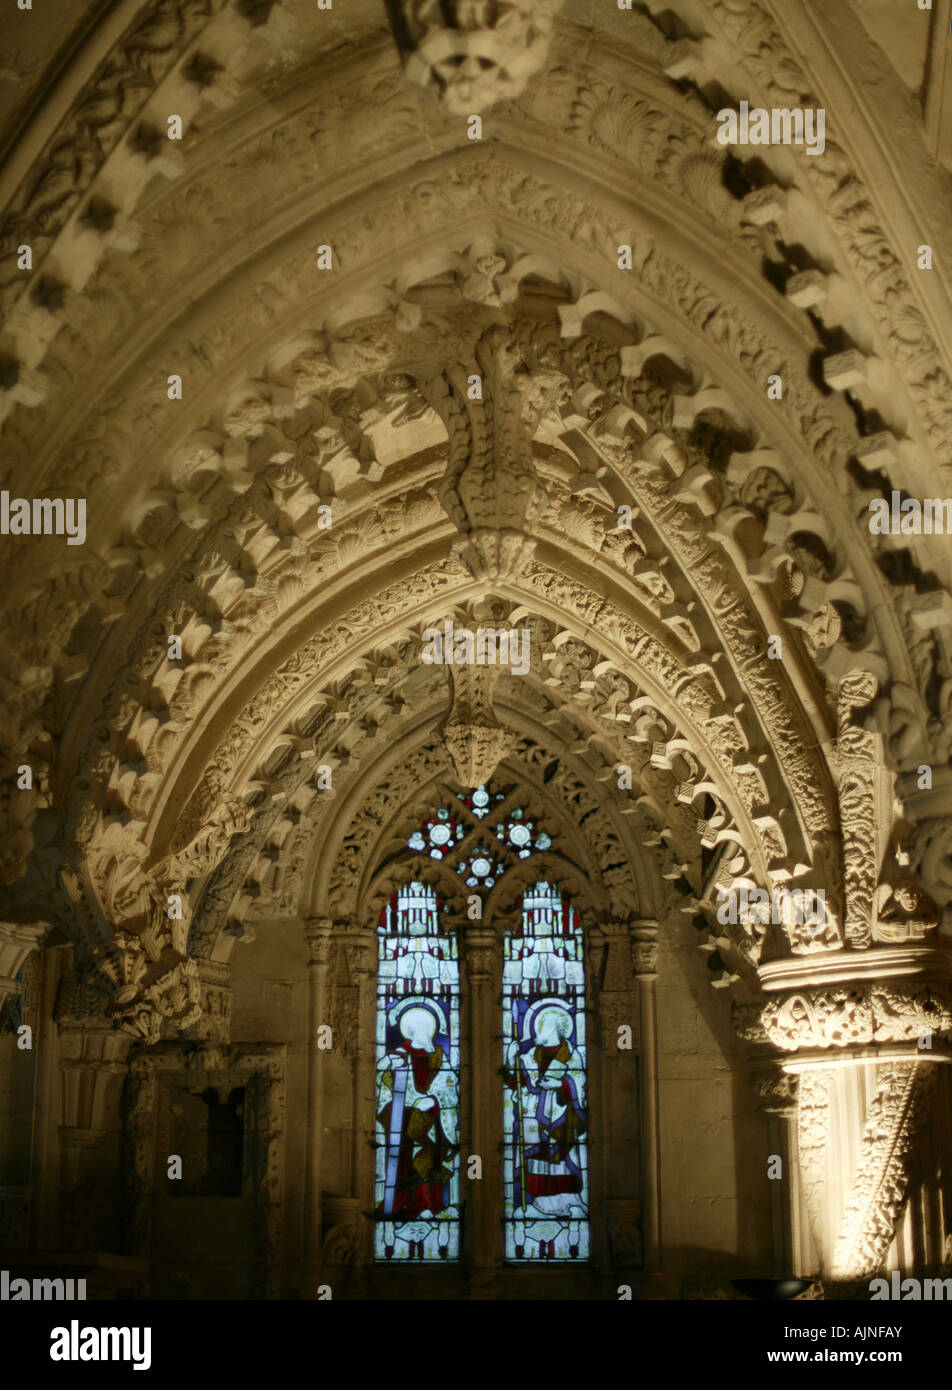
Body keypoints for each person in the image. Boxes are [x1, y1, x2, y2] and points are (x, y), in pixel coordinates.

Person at [376, 1005, 459, 1259]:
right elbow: (385, 1086)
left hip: (433, 1119)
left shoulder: (439, 1056)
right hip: (404, 1122)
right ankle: (409, 1205)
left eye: (428, 1027)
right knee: (408, 1163)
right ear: (411, 1030)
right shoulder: (400, 1054)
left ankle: (432, 1205)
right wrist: (386, 1067)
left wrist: (433, 1099)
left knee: (431, 1162)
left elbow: (450, 1087)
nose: (425, 1031)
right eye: (419, 1027)